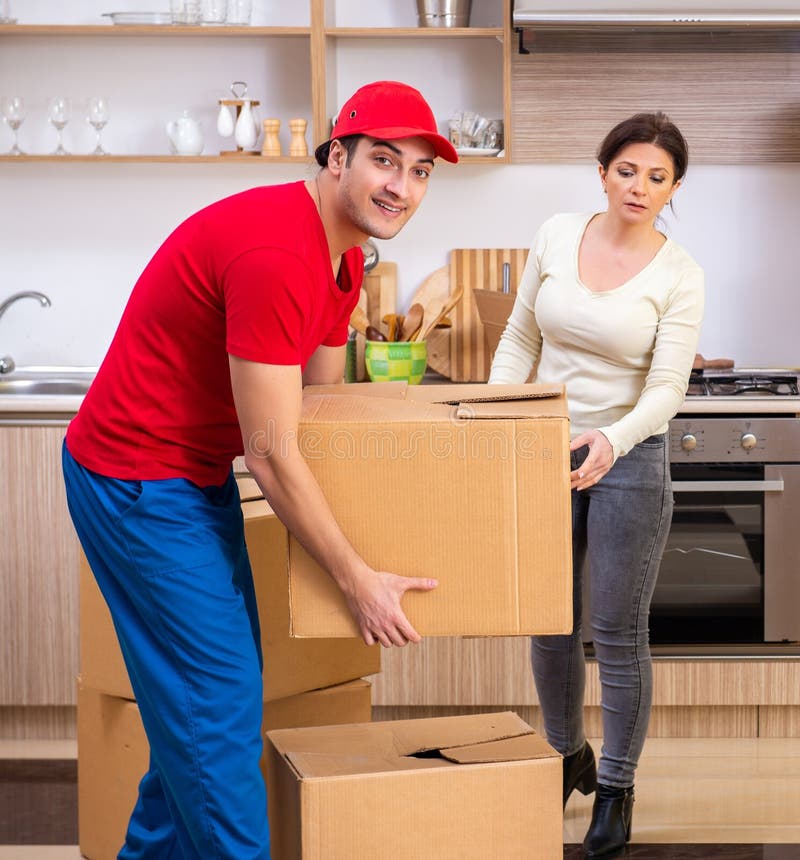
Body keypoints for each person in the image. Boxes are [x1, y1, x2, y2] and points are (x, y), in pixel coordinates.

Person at [62, 80, 458, 859]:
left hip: (191, 475)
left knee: (207, 710)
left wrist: (380, 514)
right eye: (384, 160)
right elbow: (274, 450)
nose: (401, 186)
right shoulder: (278, 250)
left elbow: (319, 413)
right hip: (136, 479)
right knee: (217, 709)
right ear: (337, 157)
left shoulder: (347, 258)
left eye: (419, 171)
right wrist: (355, 576)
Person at [489, 112, 704, 858]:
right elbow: (521, 337)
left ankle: (615, 785)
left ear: (674, 187)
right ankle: (564, 754)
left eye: (656, 177)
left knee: (616, 632)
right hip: (543, 444)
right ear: (603, 170)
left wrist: (610, 439)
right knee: (548, 620)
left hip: (629, 453)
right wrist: (495, 412)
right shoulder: (555, 234)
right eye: (626, 170)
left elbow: (668, 387)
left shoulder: (679, 273)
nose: (638, 187)